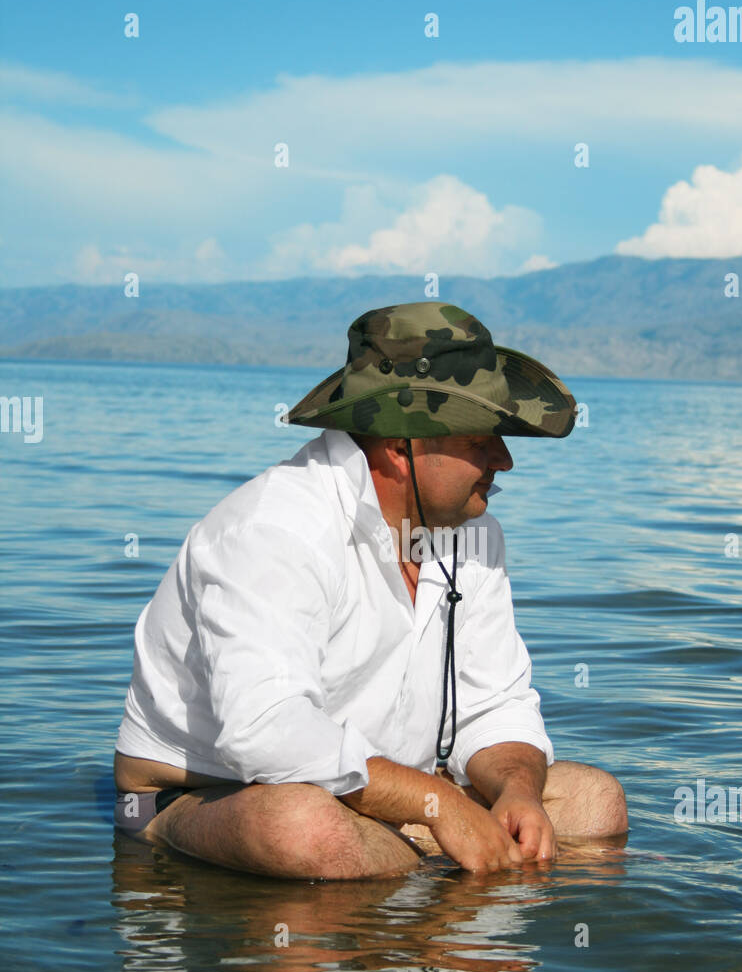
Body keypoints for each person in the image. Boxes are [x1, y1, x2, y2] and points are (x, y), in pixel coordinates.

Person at [113, 301, 628, 877]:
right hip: (218, 791)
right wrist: (441, 806)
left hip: (393, 791)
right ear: (399, 447)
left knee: (594, 803)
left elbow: (496, 705)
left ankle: (421, 881)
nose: (504, 460)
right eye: (481, 440)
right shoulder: (274, 527)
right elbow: (268, 735)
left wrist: (517, 793)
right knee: (309, 832)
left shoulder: (473, 534)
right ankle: (433, 887)